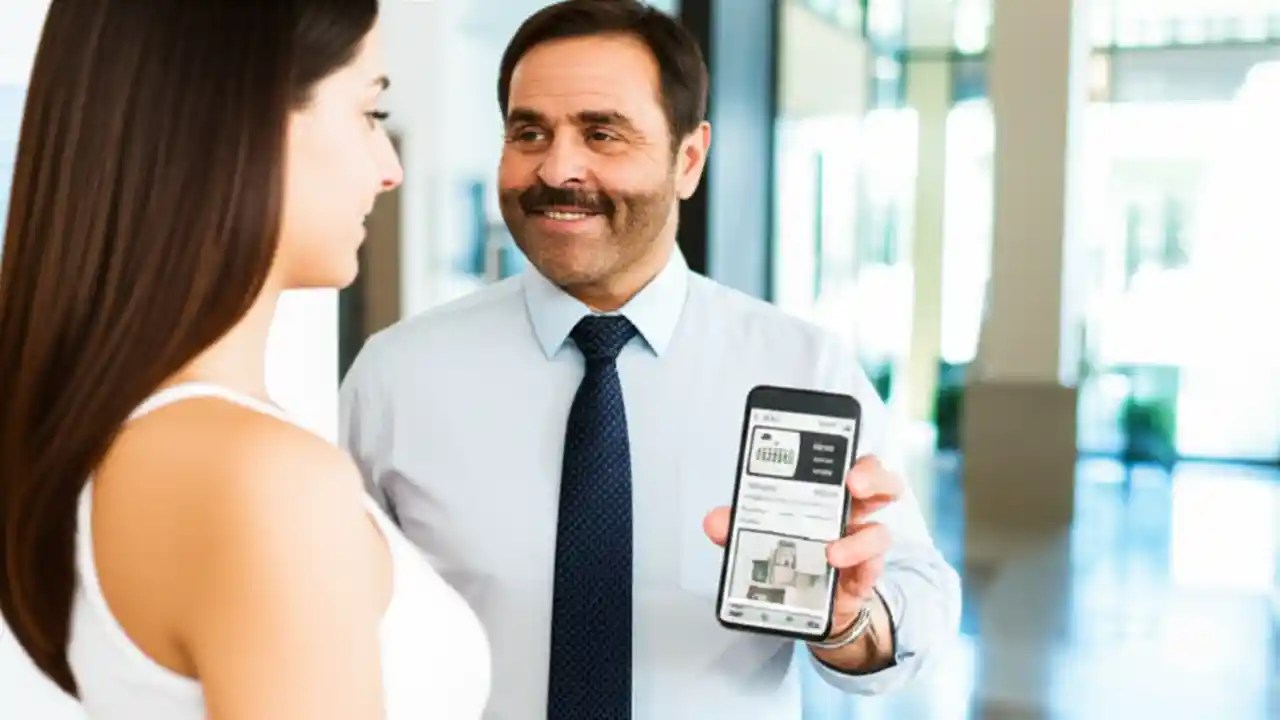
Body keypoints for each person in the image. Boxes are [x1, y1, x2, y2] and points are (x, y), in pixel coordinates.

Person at [340, 0, 960, 718]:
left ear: (688, 158)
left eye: (602, 134)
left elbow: (921, 597)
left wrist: (847, 620)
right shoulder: (396, 377)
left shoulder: (801, 368)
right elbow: (325, 619)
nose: (557, 166)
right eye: (528, 132)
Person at [0, 2, 489, 718]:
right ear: (248, 123)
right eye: (370, 113)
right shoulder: (261, 475)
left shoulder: (142, 443)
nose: (389, 170)